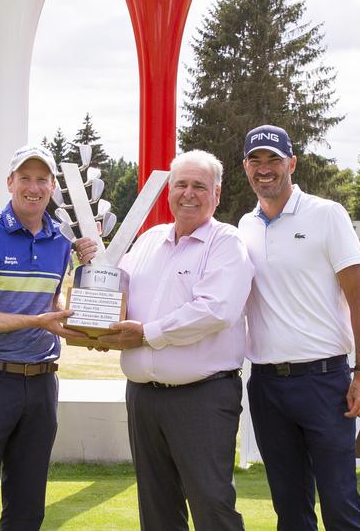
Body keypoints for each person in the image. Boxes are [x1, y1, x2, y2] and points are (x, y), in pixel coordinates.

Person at [85, 150, 254, 531]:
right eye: (181, 185)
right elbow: (116, 291)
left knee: (212, 507)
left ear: (217, 194)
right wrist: (95, 322)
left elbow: (215, 311)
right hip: (144, 397)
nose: (188, 194)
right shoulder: (148, 240)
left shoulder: (227, 243)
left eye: (199, 186)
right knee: (157, 510)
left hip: (203, 398)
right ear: (168, 192)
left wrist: (146, 333)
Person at [239, 124, 360, 531]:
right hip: (265, 385)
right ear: (246, 167)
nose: (265, 169)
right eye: (256, 161)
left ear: (291, 164)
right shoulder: (244, 227)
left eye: (273, 161)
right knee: (291, 509)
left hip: (323, 381)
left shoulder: (326, 214)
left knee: (340, 504)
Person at [0, 144, 88, 531]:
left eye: (41, 179)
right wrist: (35, 321)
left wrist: (93, 260)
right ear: (10, 182)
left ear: (52, 186)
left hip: (42, 384)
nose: (33, 187)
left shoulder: (61, 243)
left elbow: (54, 301)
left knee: (28, 510)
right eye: (24, 178)